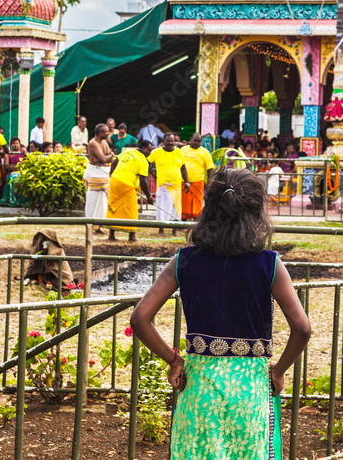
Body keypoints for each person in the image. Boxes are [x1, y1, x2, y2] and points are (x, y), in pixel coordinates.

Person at [129, 167, 311, 459]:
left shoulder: (184, 261)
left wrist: (174, 361)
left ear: (209, 209)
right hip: (249, 391)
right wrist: (278, 371)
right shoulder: (270, 265)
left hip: (199, 387)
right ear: (256, 213)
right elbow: (302, 328)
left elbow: (140, 318)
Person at [105, 140, 153, 242]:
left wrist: (111, 172)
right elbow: (143, 182)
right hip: (126, 185)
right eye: (149, 150)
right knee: (132, 208)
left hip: (114, 180)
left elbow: (115, 161)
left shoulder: (128, 151)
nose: (150, 153)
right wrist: (149, 197)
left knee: (113, 206)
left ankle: (111, 236)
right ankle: (132, 237)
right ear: (143, 148)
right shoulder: (143, 160)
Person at [148, 132, 189, 235]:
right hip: (163, 185)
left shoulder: (179, 152)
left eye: (172, 141)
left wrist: (187, 181)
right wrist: (153, 174)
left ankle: (174, 230)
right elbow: (146, 162)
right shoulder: (156, 152)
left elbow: (183, 167)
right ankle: (161, 230)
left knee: (176, 208)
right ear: (163, 141)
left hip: (176, 185)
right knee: (162, 208)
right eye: (168, 141)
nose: (171, 143)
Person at [84, 124, 115, 236]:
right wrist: (110, 155)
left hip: (104, 174)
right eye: (105, 132)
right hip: (95, 173)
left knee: (103, 203)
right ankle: (91, 226)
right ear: (99, 133)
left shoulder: (105, 142)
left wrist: (107, 157)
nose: (108, 133)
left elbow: (105, 158)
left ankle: (99, 226)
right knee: (93, 202)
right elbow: (103, 159)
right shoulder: (93, 143)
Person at [180, 133, 214, 221]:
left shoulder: (205, 152)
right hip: (184, 181)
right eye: (195, 140)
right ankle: (183, 222)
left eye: (198, 141)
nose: (196, 143)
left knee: (197, 204)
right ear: (191, 139)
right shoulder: (183, 150)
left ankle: (196, 223)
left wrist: (209, 182)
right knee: (184, 203)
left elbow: (210, 168)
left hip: (198, 182)